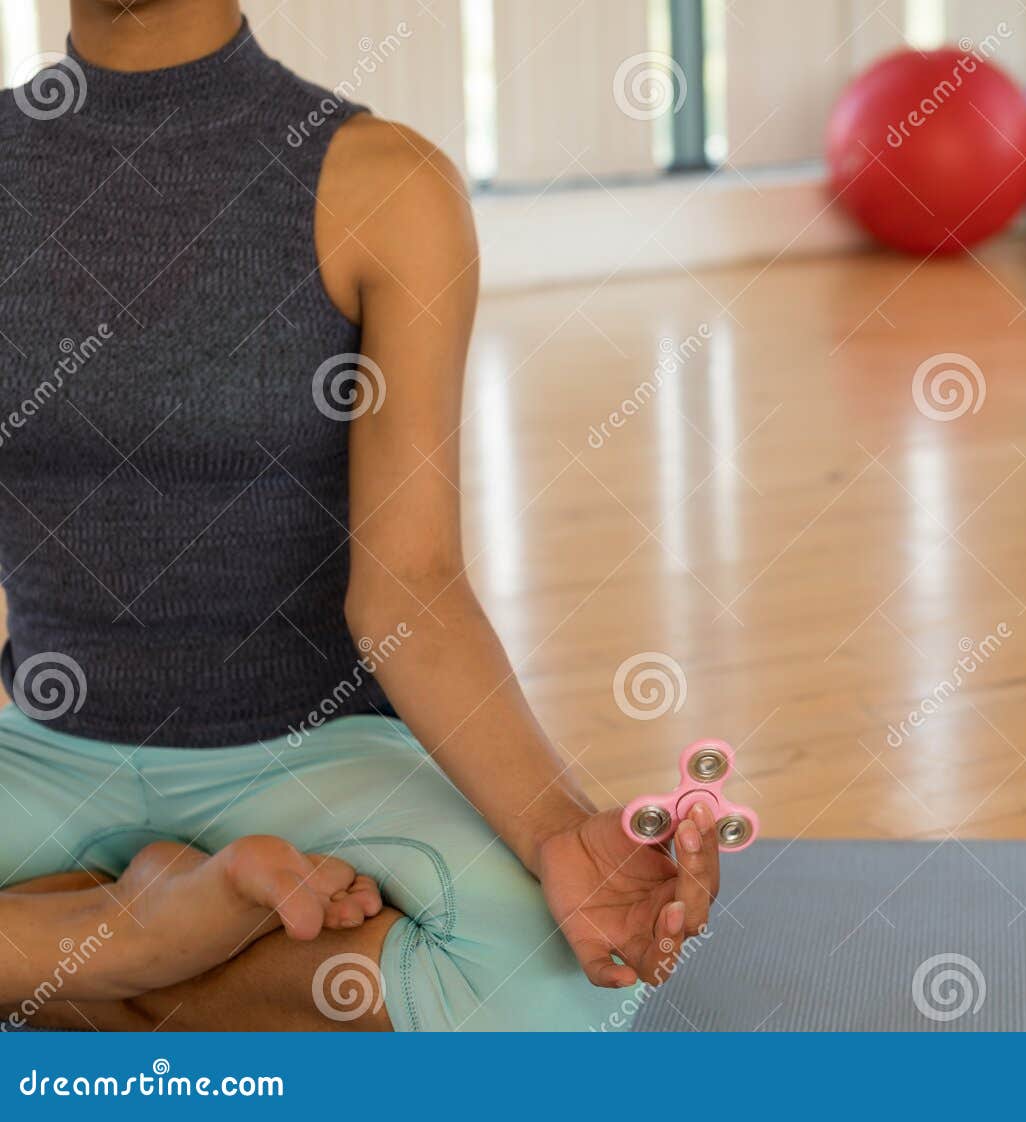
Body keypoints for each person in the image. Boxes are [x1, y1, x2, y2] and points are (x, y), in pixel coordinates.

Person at [0, 0, 718, 1031]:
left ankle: (86, 959)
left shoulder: (385, 186)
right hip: (47, 757)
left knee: (553, 996)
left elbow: (410, 587)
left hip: (313, 757)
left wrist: (560, 828)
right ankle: (142, 942)